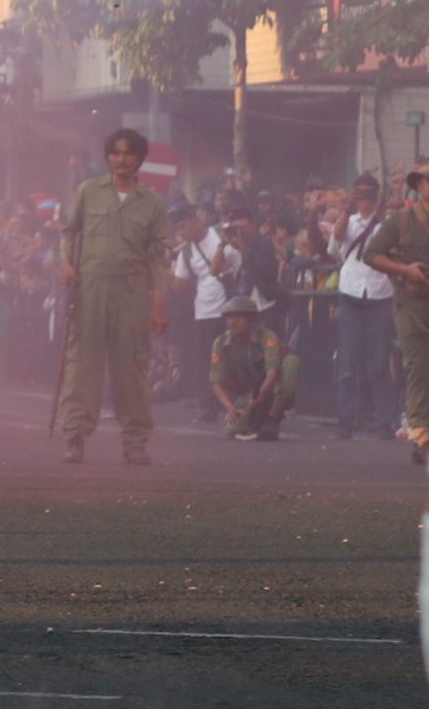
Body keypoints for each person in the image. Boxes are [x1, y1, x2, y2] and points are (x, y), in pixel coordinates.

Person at [54, 127, 172, 466]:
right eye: (116, 153)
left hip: (132, 294)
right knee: (81, 366)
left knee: (131, 368)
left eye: (129, 154)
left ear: (139, 160)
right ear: (108, 158)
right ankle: (75, 437)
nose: (122, 160)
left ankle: (135, 442)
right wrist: (65, 265)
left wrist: (159, 306)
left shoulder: (152, 204)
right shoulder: (88, 192)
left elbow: (158, 259)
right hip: (88, 289)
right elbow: (68, 233)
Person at [368, 157, 429, 466]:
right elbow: (372, 254)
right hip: (412, 305)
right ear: (419, 185)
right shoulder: (401, 221)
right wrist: (405, 270)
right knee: (419, 368)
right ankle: (423, 433)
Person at [334, 173, 398, 441]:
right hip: (351, 293)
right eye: (361, 195)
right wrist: (348, 205)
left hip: (380, 294)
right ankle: (345, 420)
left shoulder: (388, 224)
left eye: (370, 195)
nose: (365, 201)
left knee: (381, 362)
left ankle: (384, 421)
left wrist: (383, 215)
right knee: (347, 361)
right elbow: (337, 238)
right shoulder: (348, 221)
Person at [170, 203, 244, 424]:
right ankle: (208, 406)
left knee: (231, 357)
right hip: (203, 310)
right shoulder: (186, 251)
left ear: (195, 220)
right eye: (178, 229)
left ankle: (234, 404)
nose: (182, 232)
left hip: (227, 307)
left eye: (184, 226)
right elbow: (180, 284)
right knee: (206, 360)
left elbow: (238, 265)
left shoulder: (218, 237)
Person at [210, 296, 299, 441]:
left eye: (239, 317)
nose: (233, 321)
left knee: (291, 361)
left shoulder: (266, 336)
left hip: (274, 386)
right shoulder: (220, 343)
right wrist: (230, 408)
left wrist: (262, 396)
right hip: (250, 390)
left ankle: (273, 418)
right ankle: (258, 421)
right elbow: (216, 382)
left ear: (251, 319)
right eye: (229, 317)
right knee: (232, 430)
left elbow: (272, 372)